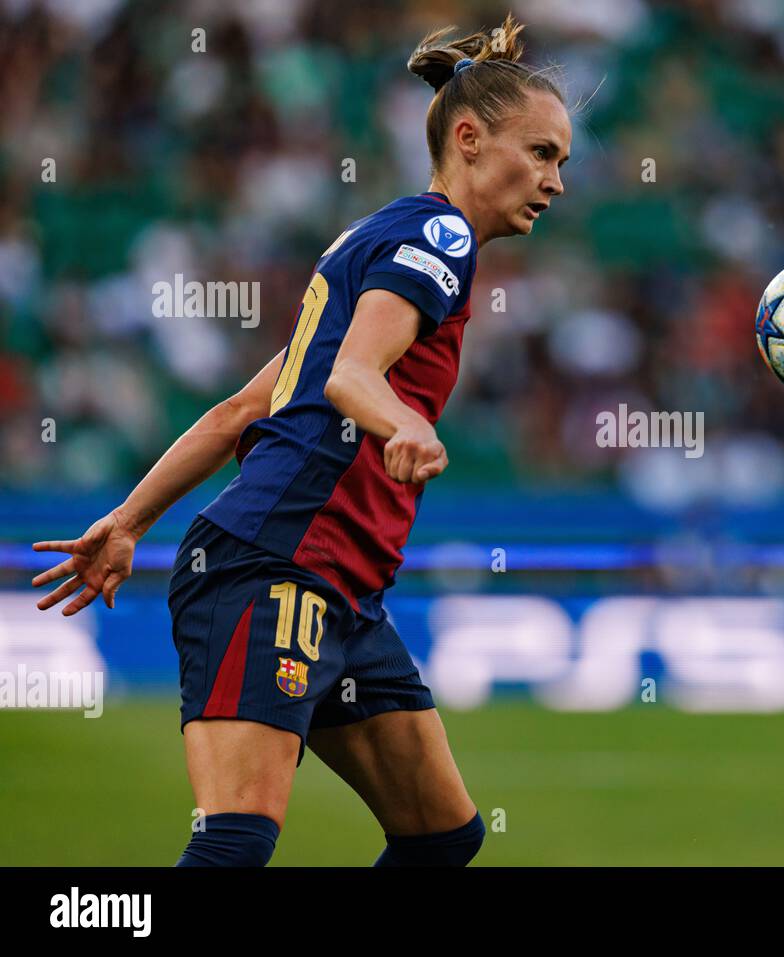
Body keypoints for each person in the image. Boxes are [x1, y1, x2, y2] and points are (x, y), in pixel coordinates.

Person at [29, 12, 570, 867]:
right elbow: (350, 379)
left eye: (561, 162)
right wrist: (407, 422)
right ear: (468, 137)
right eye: (542, 153)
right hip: (275, 565)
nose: (556, 180)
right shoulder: (440, 237)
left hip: (341, 587)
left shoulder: (378, 237)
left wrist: (130, 520)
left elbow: (242, 410)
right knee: (235, 844)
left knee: (442, 836)